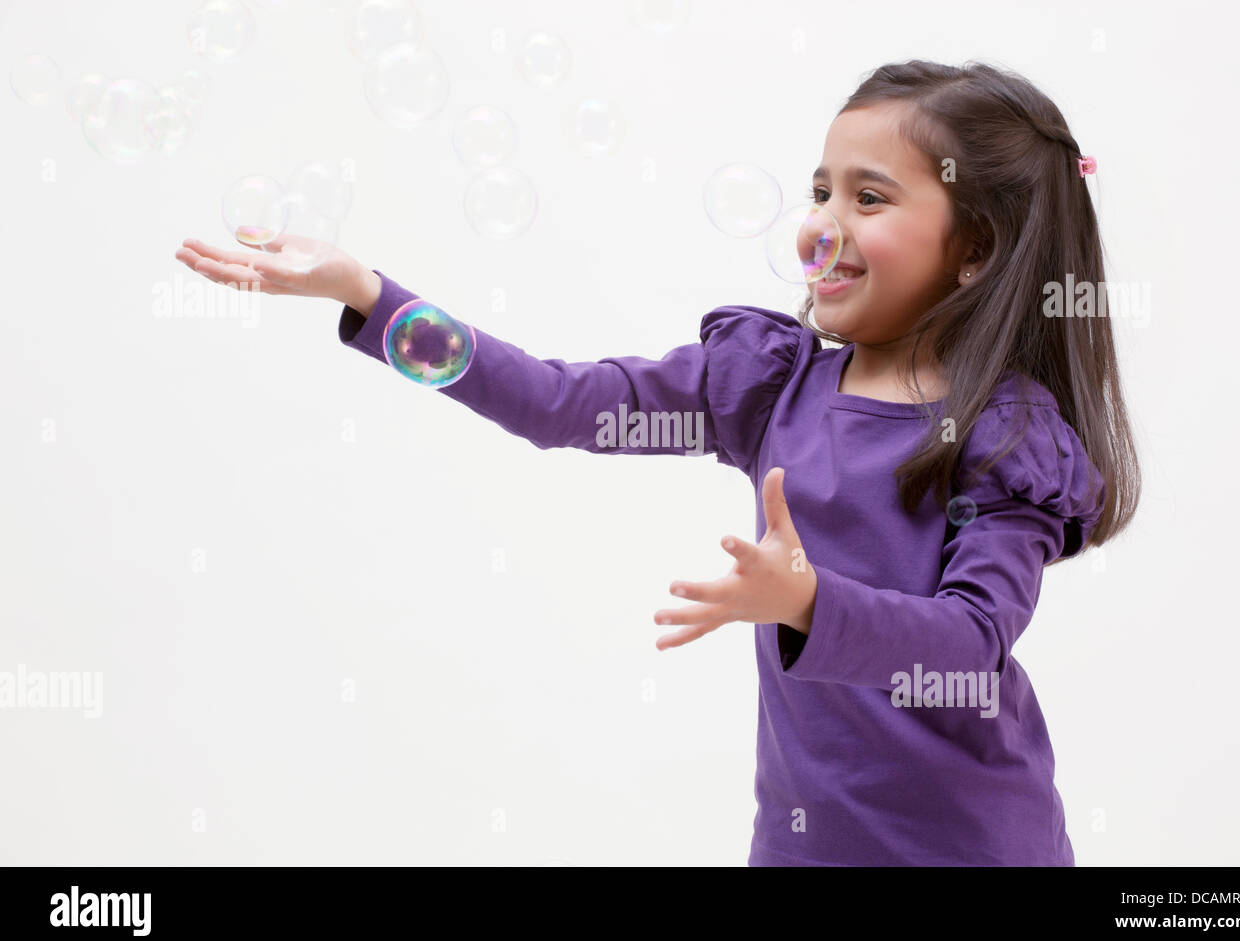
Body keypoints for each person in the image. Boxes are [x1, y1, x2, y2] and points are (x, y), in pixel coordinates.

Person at [175, 59, 1141, 866]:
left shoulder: (1007, 437)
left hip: (973, 848)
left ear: (974, 248)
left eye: (869, 196)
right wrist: (371, 295)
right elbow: (562, 405)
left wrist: (809, 604)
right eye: (819, 190)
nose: (823, 222)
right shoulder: (770, 387)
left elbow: (972, 644)